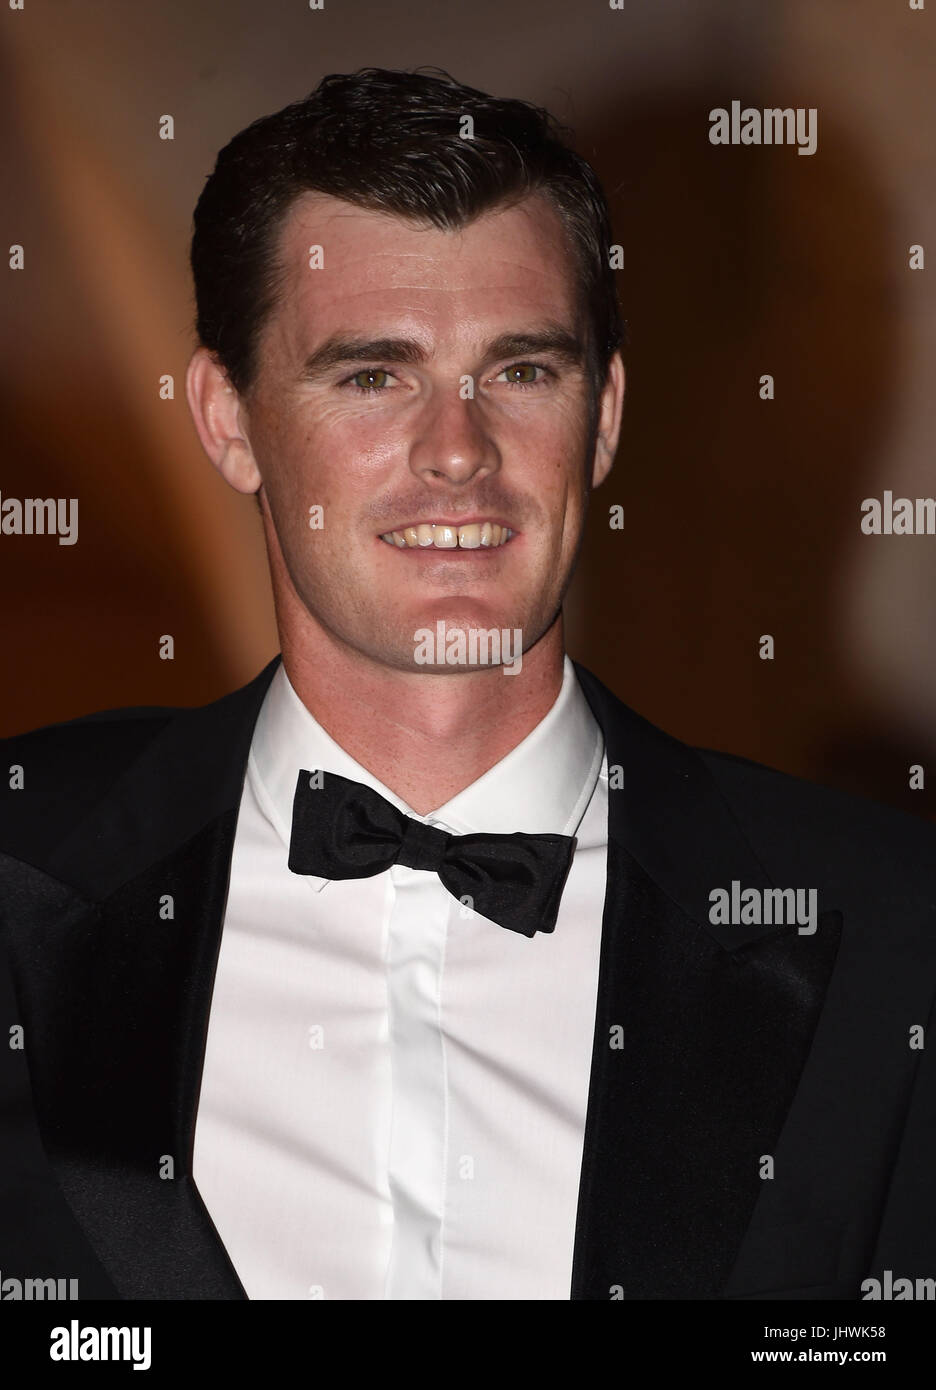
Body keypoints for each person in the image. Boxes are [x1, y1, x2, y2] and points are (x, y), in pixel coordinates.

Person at [2, 66, 935, 1303]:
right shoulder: (23, 873)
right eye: (372, 374)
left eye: (522, 370)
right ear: (227, 419)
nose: (458, 450)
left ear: (602, 417)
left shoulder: (887, 932)